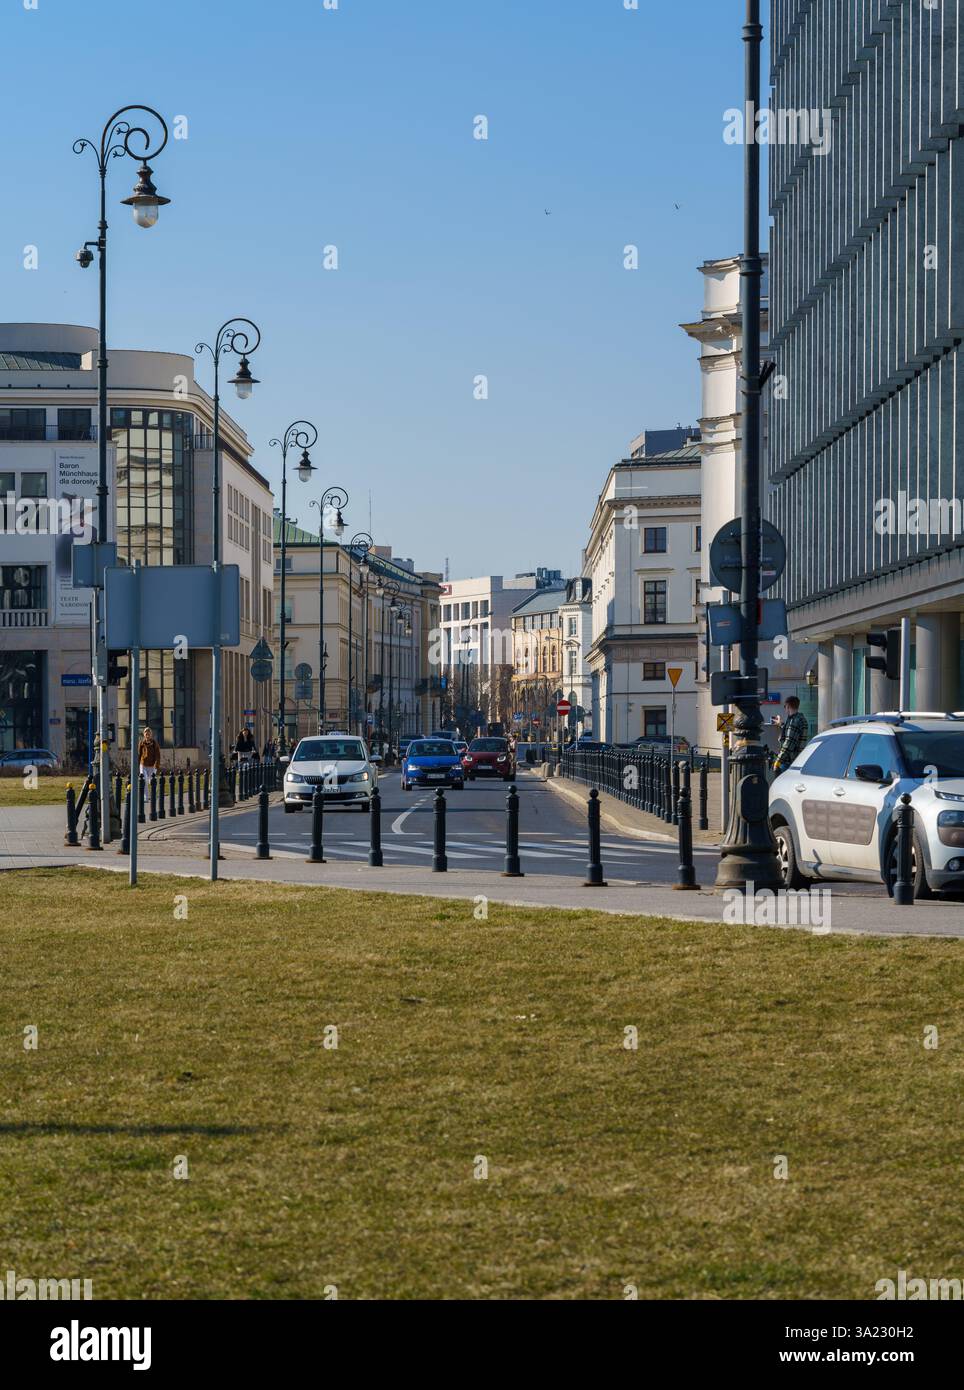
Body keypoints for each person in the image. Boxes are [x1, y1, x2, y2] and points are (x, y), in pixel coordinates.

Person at [772, 696, 809, 775]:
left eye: (785, 706)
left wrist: (778, 761)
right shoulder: (800, 718)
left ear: (788, 706)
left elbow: (789, 743)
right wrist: (781, 724)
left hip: (789, 762)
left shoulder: (794, 721)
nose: (785, 709)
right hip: (796, 761)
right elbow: (792, 733)